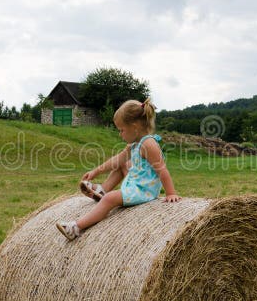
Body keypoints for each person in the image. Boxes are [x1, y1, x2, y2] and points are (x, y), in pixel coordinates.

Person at [56, 98, 181, 240]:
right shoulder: (135, 144)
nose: (120, 134)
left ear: (134, 127)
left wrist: (171, 193)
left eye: (121, 130)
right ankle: (103, 189)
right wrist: (96, 171)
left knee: (110, 199)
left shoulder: (149, 144)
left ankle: (76, 228)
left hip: (144, 191)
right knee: (122, 164)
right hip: (135, 183)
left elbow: (162, 170)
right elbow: (116, 160)